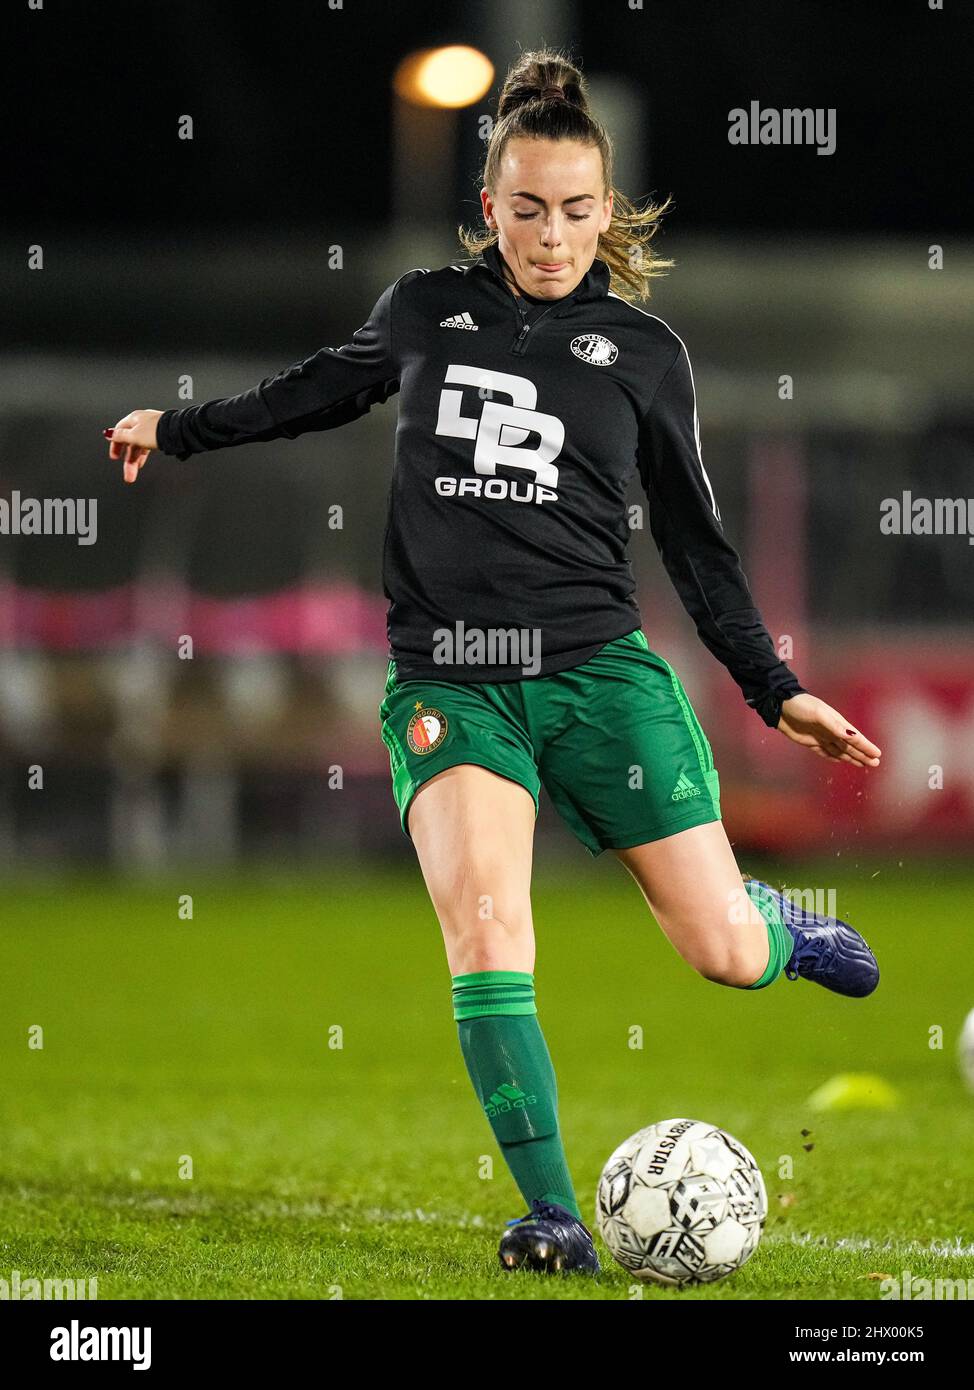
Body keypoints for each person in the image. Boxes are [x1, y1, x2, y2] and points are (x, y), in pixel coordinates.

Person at [105, 47, 881, 1278]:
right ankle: (551, 1213)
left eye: (574, 210)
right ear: (488, 206)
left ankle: (771, 928)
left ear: (606, 210)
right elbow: (315, 391)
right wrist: (179, 426)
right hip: (449, 685)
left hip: (599, 678)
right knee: (485, 931)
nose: (551, 235)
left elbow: (694, 543)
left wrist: (772, 687)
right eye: (526, 209)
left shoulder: (643, 354)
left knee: (722, 955)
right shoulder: (424, 308)